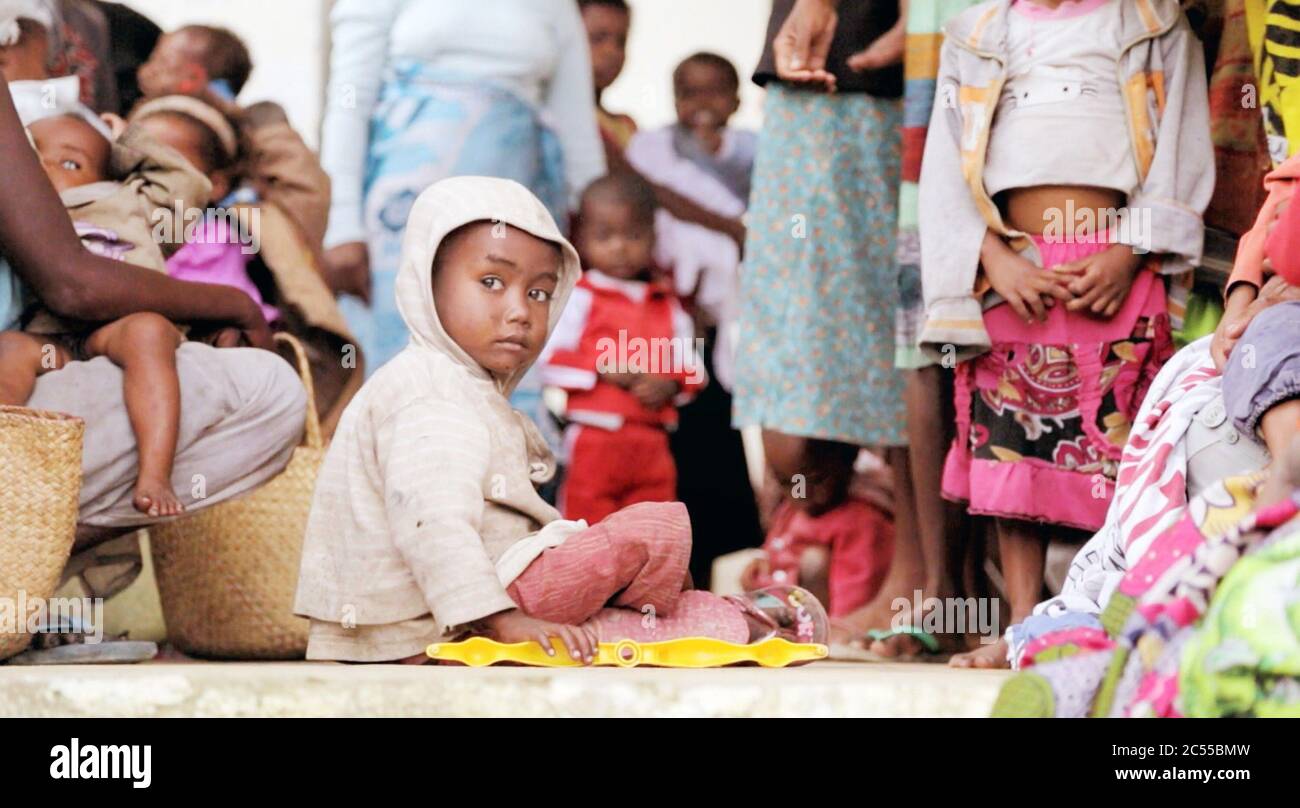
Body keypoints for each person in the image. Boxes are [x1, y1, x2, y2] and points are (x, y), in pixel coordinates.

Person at [293, 176, 760, 663]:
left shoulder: (457, 384)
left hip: (470, 614)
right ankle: (740, 621)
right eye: (492, 282)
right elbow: (432, 524)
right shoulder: (426, 393)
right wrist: (501, 619)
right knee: (654, 528)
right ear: (426, 282)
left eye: (539, 293)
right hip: (449, 623)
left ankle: (722, 622)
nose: (520, 311)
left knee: (607, 625)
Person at [917, 0, 1213, 667]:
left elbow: (1181, 141)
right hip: (1014, 270)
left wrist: (1131, 249)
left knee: (1112, 454)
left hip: (1112, 270)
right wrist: (990, 256)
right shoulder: (980, 32)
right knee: (1012, 454)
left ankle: (1090, 620)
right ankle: (1024, 626)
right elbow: (948, 156)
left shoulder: (1151, 24)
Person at [0, 79, 304, 603]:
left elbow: (182, 182)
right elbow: (72, 288)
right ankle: (13, 464)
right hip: (48, 341)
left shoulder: (126, 204)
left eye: (71, 162)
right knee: (11, 353)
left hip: (108, 334)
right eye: (35, 156)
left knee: (147, 337)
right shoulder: (28, 210)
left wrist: (125, 140)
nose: (48, 170)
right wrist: (235, 305)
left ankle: (152, 474)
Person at [316, 0, 606, 375]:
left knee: (501, 349)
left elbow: (575, 123)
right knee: (401, 364)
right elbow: (348, 102)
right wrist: (341, 226)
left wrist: (593, 226)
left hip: (514, 222)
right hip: (398, 224)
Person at [541, 173, 705, 525]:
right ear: (581, 239)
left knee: (655, 530)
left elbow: (695, 369)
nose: (619, 247)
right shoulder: (579, 297)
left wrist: (672, 384)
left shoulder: (666, 304)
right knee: (586, 533)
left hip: (653, 442)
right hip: (594, 438)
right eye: (604, 236)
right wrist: (598, 368)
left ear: (652, 237)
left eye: (633, 235)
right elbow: (547, 360)